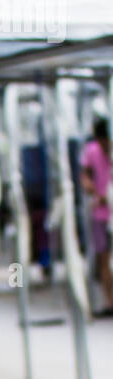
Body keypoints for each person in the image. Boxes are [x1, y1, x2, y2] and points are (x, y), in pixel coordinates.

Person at [80, 117, 113, 316]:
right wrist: (92, 191)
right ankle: (110, 302)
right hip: (101, 214)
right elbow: (84, 176)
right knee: (103, 259)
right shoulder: (92, 152)